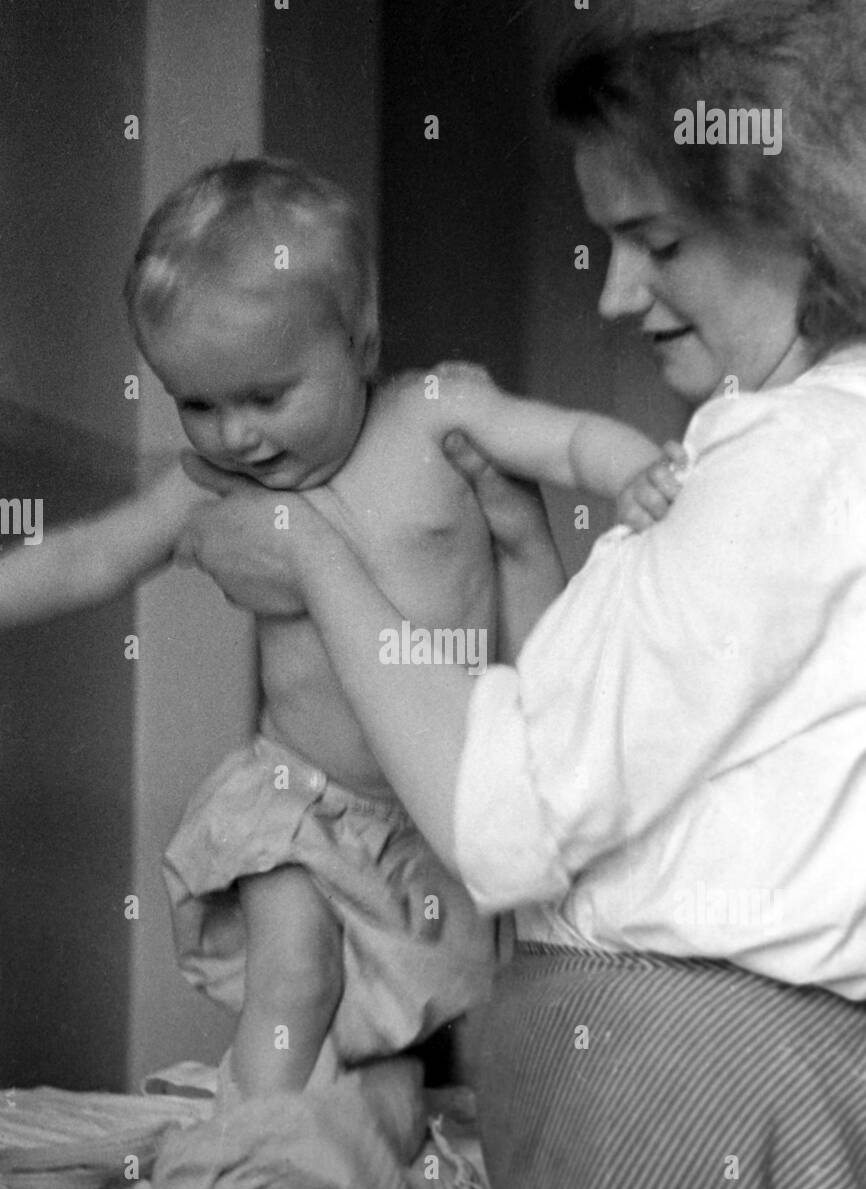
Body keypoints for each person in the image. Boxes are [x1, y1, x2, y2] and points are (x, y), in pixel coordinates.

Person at [175, 0, 866, 1189]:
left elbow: (503, 816)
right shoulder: (808, 448)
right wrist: (528, 552)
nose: (610, 291)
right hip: (677, 1072)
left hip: (681, 1084)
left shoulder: (785, 461)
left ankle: (270, 1165)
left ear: (812, 212)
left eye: (653, 240)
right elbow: (625, 762)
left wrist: (310, 560)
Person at [0, 157, 671, 1102]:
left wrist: (635, 470)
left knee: (410, 1034)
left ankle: (359, 1152)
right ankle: (259, 1153)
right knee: (296, 980)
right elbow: (89, 558)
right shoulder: (213, 489)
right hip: (296, 801)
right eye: (197, 404)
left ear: (360, 343)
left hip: (436, 811)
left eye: (267, 397)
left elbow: (561, 439)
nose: (234, 436)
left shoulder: (435, 415)